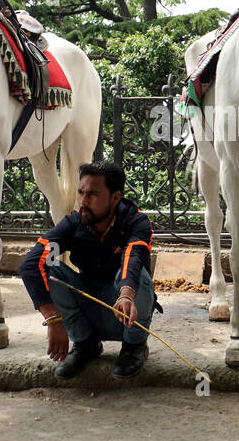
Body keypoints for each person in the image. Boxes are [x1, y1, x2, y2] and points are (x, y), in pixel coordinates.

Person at [19, 161, 155, 380]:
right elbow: (31, 264)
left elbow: (133, 257)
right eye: (81, 193)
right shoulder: (73, 223)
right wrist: (52, 318)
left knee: (138, 275)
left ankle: (134, 347)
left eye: (92, 194)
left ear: (115, 198)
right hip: (88, 307)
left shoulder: (135, 220)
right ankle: (86, 344)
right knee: (50, 269)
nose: (83, 201)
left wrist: (126, 295)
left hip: (127, 312)